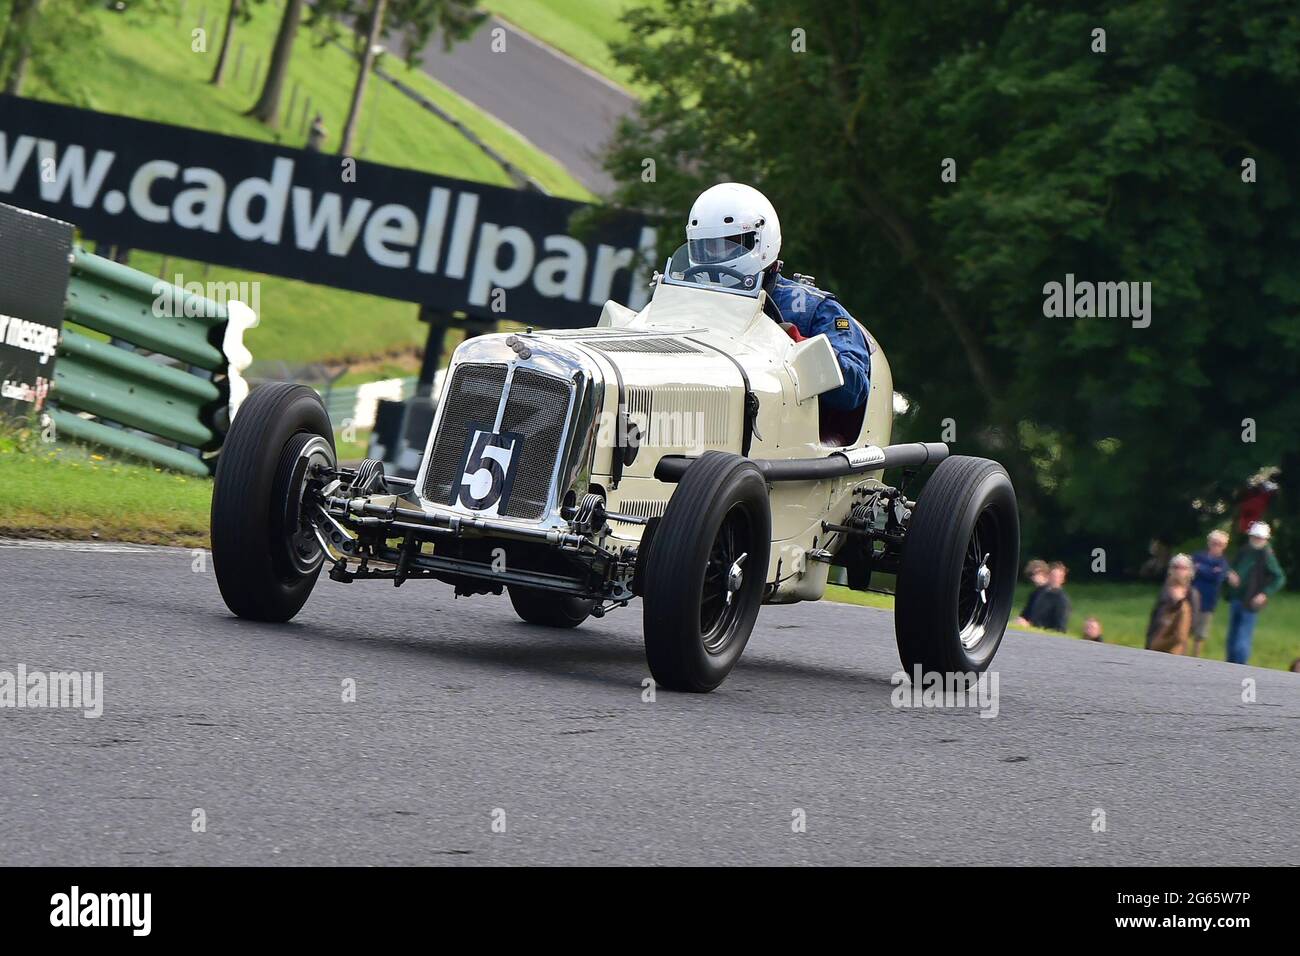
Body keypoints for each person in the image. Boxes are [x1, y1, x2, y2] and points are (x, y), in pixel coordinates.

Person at [683, 183, 871, 419]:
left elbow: (854, 390)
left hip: (784, 439)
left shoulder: (814, 309)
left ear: (762, 238)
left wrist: (797, 346)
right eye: (707, 248)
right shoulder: (688, 304)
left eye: (731, 244)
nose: (717, 257)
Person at [1223, 521, 1287, 665]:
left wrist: (1264, 594)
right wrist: (1230, 574)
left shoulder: (1266, 555)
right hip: (1236, 597)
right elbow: (1231, 567)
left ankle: (1240, 667)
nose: (1257, 540)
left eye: (1260, 538)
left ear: (1266, 539)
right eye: (1255, 537)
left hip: (1251, 600)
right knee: (1232, 636)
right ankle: (1228, 666)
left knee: (1243, 637)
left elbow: (1280, 577)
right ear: (1250, 536)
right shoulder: (1245, 550)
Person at [1146, 554, 1198, 654]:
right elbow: (1154, 618)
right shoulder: (1165, 591)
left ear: (1189, 571)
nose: (1179, 571)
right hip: (1157, 640)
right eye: (1176, 567)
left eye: (1183, 568)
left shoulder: (1192, 594)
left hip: (1176, 645)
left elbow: (1194, 623)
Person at [1190, 530, 1231, 657]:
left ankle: (1195, 658)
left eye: (1220, 544)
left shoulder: (1223, 563)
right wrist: (1210, 571)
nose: (1216, 546)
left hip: (1209, 600)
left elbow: (1218, 577)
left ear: (1224, 546)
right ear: (1209, 543)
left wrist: (1201, 568)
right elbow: (1190, 572)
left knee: (1200, 633)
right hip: (1191, 597)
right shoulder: (1197, 556)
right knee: (1185, 627)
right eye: (1214, 543)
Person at [1031, 561, 1071, 632]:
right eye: (1052, 575)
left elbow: (1060, 627)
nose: (1054, 579)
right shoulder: (1038, 592)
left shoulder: (1062, 600)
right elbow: (1027, 612)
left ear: (1062, 579)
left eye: (1058, 577)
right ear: (1048, 576)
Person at [1014, 559, 1049, 628]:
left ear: (1044, 573)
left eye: (1037, 573)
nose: (1034, 577)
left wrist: (1029, 624)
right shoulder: (1035, 594)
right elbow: (1026, 613)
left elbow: (1049, 620)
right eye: (1032, 574)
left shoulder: (1052, 594)